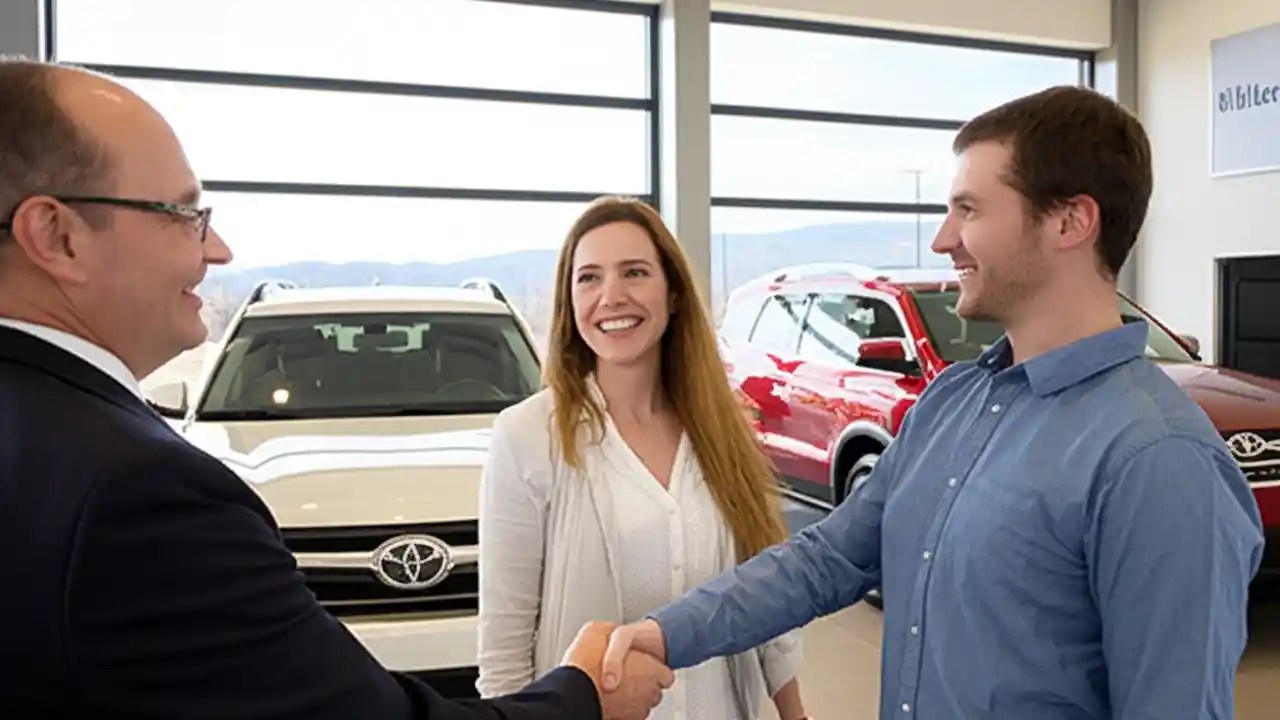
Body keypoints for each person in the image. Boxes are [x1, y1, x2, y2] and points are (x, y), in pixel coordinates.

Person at [0, 58, 672, 719]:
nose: (218, 250)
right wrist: (583, 697)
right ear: (57, 236)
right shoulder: (140, 489)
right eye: (181, 213)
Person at [600, 86, 1266, 719]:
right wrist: (664, 634)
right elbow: (827, 559)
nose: (943, 239)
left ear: (1070, 221)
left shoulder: (1159, 459)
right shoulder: (955, 401)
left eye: (969, 209)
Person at [476, 196, 809, 720]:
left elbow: (765, 600)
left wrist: (796, 715)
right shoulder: (528, 436)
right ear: (569, 301)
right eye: (589, 278)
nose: (611, 296)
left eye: (634, 272)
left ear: (672, 293)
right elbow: (503, 652)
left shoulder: (722, 427)